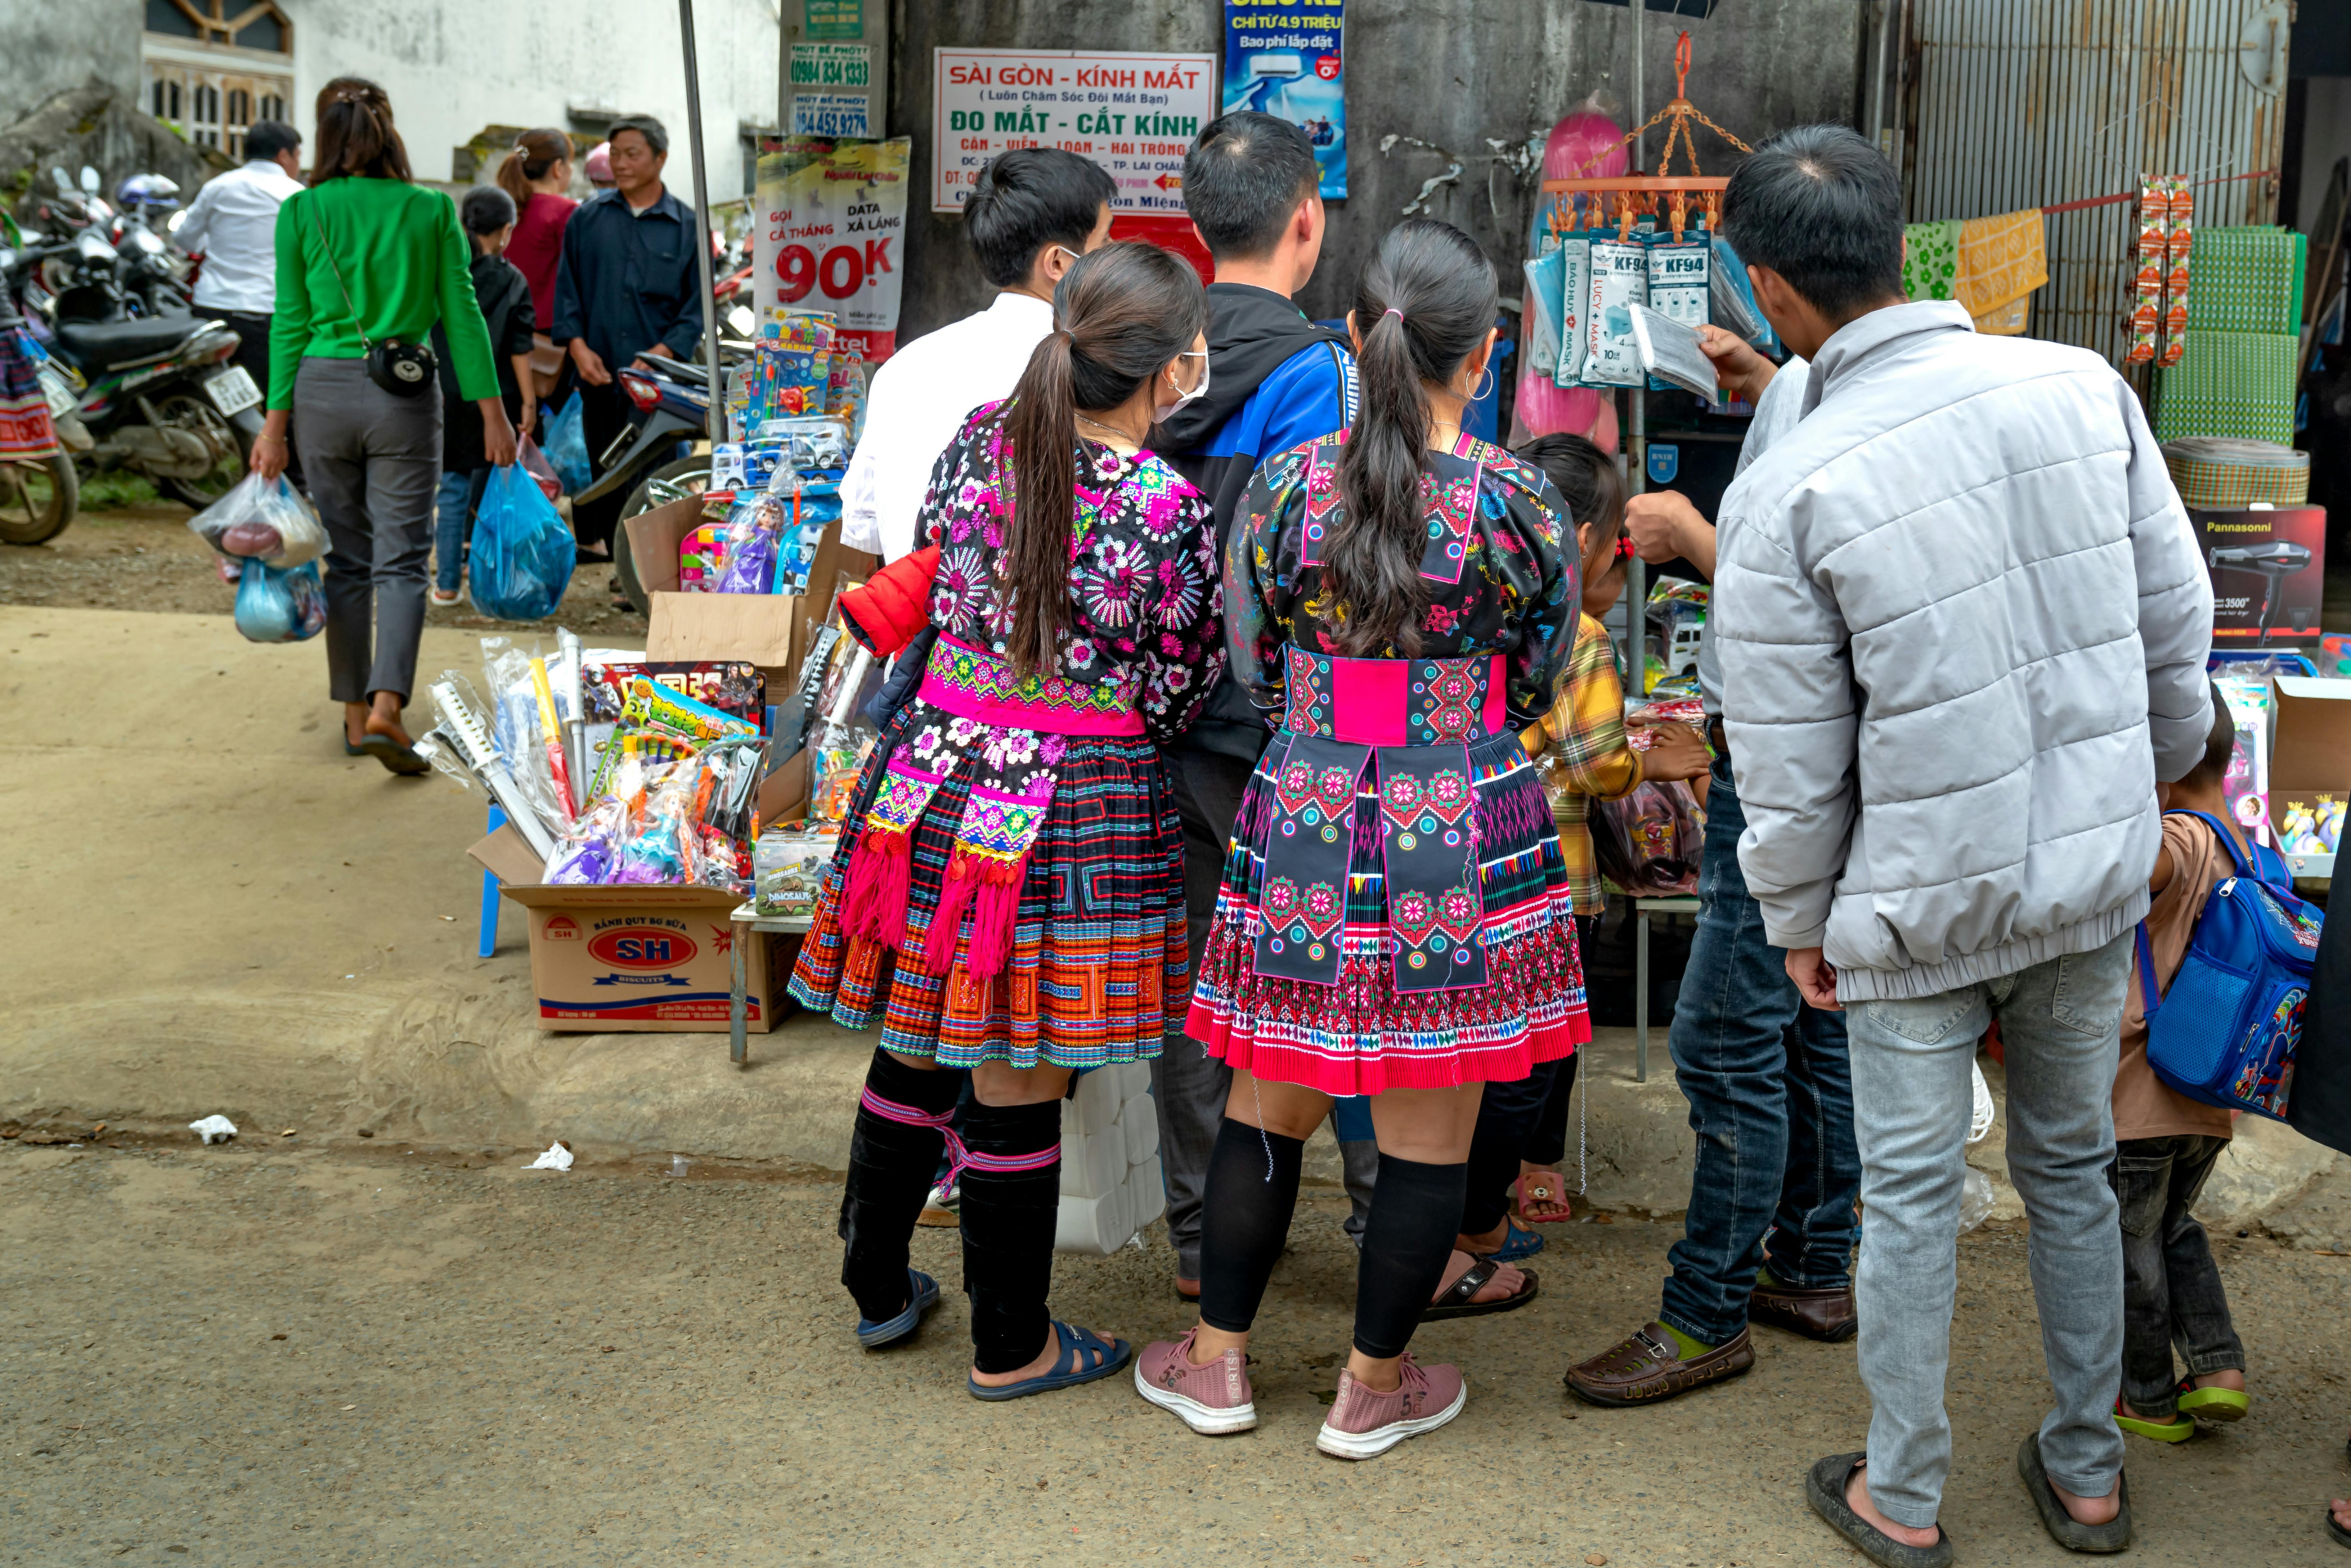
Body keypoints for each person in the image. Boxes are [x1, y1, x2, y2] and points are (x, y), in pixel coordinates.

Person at [1701, 126, 2212, 1564]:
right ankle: (2089, 1472)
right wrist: (2148, 786)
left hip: (1910, 904)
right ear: (1896, 239)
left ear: (1767, 290)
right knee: (2072, 1165)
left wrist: (1794, 918)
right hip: (2085, 881)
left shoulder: (1789, 480)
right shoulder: (2083, 386)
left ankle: (1903, 1493)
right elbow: (2176, 630)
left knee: (1913, 1196)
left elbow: (1785, 753)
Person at [1143, 219, 1586, 1459]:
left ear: (1351, 337)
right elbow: (1541, 669)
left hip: (1306, 805)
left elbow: (1247, 659)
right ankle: (1369, 1385)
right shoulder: (1519, 501)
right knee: (1426, 1132)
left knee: (1265, 1099)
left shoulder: (1287, 488)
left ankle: (1217, 1362)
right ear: (1483, 355)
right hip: (1462, 814)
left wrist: (1332, 720)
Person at [786, 243, 1221, 1400]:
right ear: (1169, 370)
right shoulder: (1166, 507)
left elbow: (934, 582)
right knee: (1019, 1067)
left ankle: (877, 1285)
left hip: (930, 777)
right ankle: (1011, 1342)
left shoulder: (982, 437)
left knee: (916, 1035)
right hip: (1067, 806)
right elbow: (1179, 687)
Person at [1563, 317, 1864, 1405]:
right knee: (1808, 1017)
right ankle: (1813, 1264)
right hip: (1822, 753)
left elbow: (1808, 589)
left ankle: (1704, 1312)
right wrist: (1772, 378)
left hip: (1784, 756)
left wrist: (1693, 534)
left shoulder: (1860, 393)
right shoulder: (1846, 380)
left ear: (1778, 284)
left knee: (1723, 1036)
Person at [1147, 110, 1373, 1301]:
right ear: (1306, 220)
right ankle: (1384, 1224)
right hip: (1277, 724)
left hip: (1155, 717)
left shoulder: (1145, 350)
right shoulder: (1316, 373)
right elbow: (1317, 558)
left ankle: (1204, 1243)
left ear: (1197, 227)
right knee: (1330, 972)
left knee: (1195, 984)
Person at [1475, 434, 1710, 1237]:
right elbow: (1597, 763)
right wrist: (1652, 761)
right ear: (1581, 541)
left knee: (1487, 1042)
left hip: (1468, 866)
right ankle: (1502, 1197)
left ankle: (1477, 1191)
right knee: (1545, 1048)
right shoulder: (1577, 633)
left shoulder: (1471, 610)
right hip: (1555, 880)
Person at [254, 78, 515, 773]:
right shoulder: (430, 209)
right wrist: (493, 414)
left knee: (347, 558)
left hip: (319, 394)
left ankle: (352, 714)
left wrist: (273, 428)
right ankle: (387, 708)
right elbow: (462, 315)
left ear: (324, 140)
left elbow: (289, 322)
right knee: (402, 559)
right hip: (402, 394)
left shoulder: (302, 210)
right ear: (390, 137)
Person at [838, 148, 1115, 563]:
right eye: (1106, 240)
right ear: (1058, 262)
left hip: (917, 604)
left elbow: (866, 530)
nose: (1115, 255)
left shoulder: (903, 367)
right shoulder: (1092, 372)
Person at [2109, 686, 2252, 1445]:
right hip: (2208, 1097)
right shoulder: (2249, 846)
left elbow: (2124, 869)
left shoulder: (2180, 838)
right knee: (2172, 1228)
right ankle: (2217, 1367)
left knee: (2127, 1245)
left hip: (2142, 1088)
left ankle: (2147, 1395)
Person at [550, 115, 704, 563]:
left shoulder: (687, 226)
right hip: (598, 375)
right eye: (615, 154)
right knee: (606, 469)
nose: (620, 163)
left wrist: (661, 354)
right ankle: (623, 565)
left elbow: (696, 309)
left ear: (660, 158)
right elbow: (568, 293)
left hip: (657, 382)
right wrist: (578, 349)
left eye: (632, 154)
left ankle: (648, 566)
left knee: (654, 473)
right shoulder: (587, 220)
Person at [428, 186, 537, 607]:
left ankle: (447, 584)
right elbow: (520, 348)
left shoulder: (444, 271)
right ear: (506, 231)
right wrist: (528, 402)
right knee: (500, 489)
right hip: (499, 400)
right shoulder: (512, 279)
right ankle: (495, 581)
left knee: (452, 490)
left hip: (448, 395)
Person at [178, 119, 306, 415]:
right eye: (298, 156)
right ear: (284, 155)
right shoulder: (296, 195)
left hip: (212, 309)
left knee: (211, 397)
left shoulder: (217, 187)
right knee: (274, 402)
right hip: (267, 312)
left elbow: (185, 239)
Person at [494, 128, 578, 401]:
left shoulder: (502, 208)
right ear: (558, 168)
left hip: (498, 334)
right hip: (548, 343)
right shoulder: (565, 212)